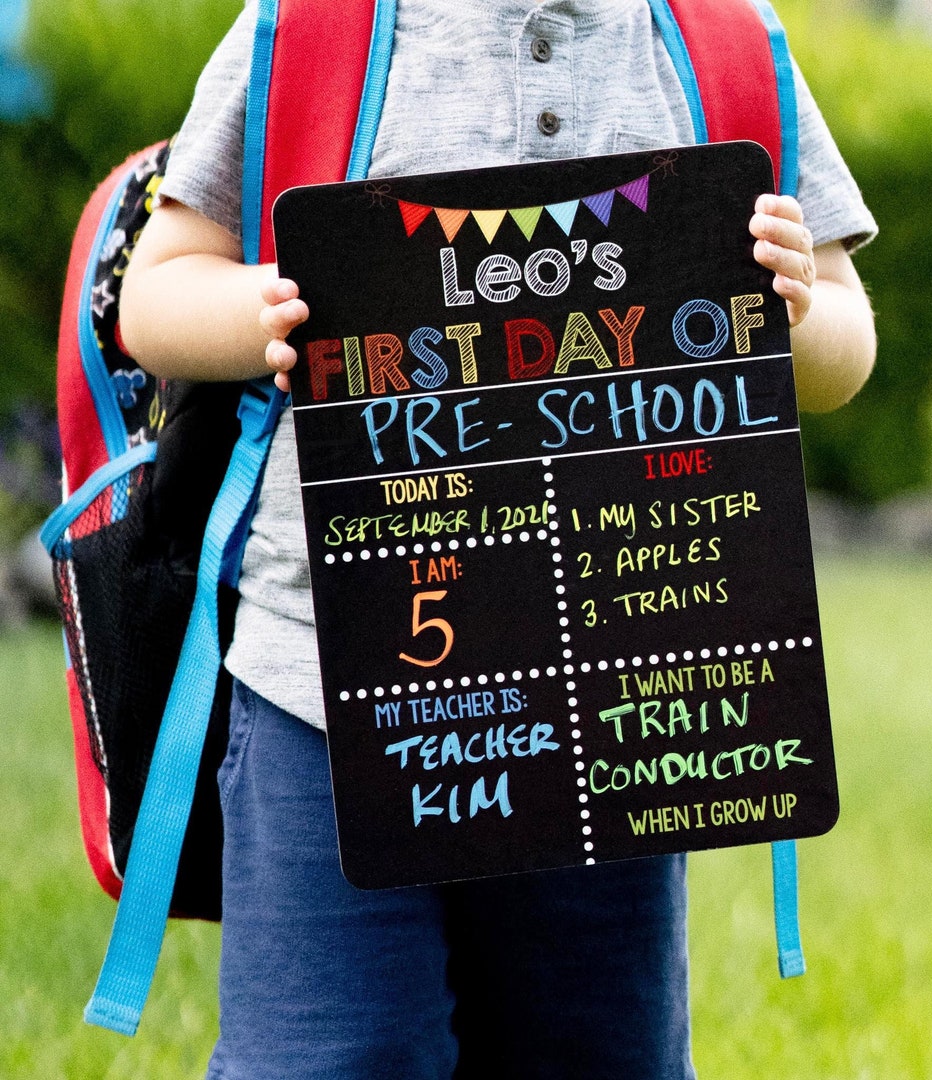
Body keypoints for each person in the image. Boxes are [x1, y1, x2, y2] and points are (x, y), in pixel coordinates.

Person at [118, 2, 877, 1076]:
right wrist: (258, 312)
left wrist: (795, 311)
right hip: (326, 698)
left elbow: (847, 337)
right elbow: (154, 296)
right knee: (331, 1055)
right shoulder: (306, 29)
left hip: (616, 705)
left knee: (593, 1050)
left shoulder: (723, 42)